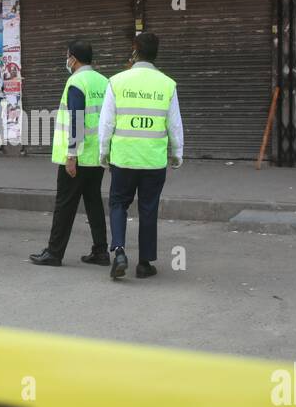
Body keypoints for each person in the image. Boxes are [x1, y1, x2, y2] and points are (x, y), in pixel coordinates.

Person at [98, 31, 183, 280]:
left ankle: (120, 252)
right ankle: (145, 263)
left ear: (135, 50)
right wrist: (177, 153)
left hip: (124, 158)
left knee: (118, 204)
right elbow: (174, 124)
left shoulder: (116, 81)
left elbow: (106, 123)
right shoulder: (167, 84)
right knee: (148, 209)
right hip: (153, 160)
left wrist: (104, 153)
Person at [30, 40, 110, 268]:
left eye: (67, 56)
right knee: (94, 202)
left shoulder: (76, 82)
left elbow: (76, 118)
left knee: (64, 204)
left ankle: (54, 253)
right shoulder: (104, 82)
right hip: (96, 156)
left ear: (73, 58)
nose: (67, 61)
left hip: (78, 156)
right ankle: (101, 251)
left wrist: (72, 155)